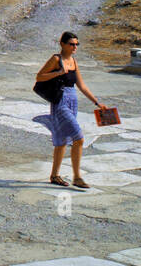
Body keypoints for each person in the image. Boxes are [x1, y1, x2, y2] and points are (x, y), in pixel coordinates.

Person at [34, 31, 104, 189]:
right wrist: (58, 73)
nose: (75, 47)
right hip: (60, 102)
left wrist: (97, 103)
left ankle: (54, 175)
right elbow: (39, 77)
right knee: (78, 138)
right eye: (72, 44)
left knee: (62, 140)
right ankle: (77, 177)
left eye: (76, 44)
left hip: (73, 101)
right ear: (63, 44)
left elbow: (82, 85)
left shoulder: (74, 61)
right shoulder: (56, 59)